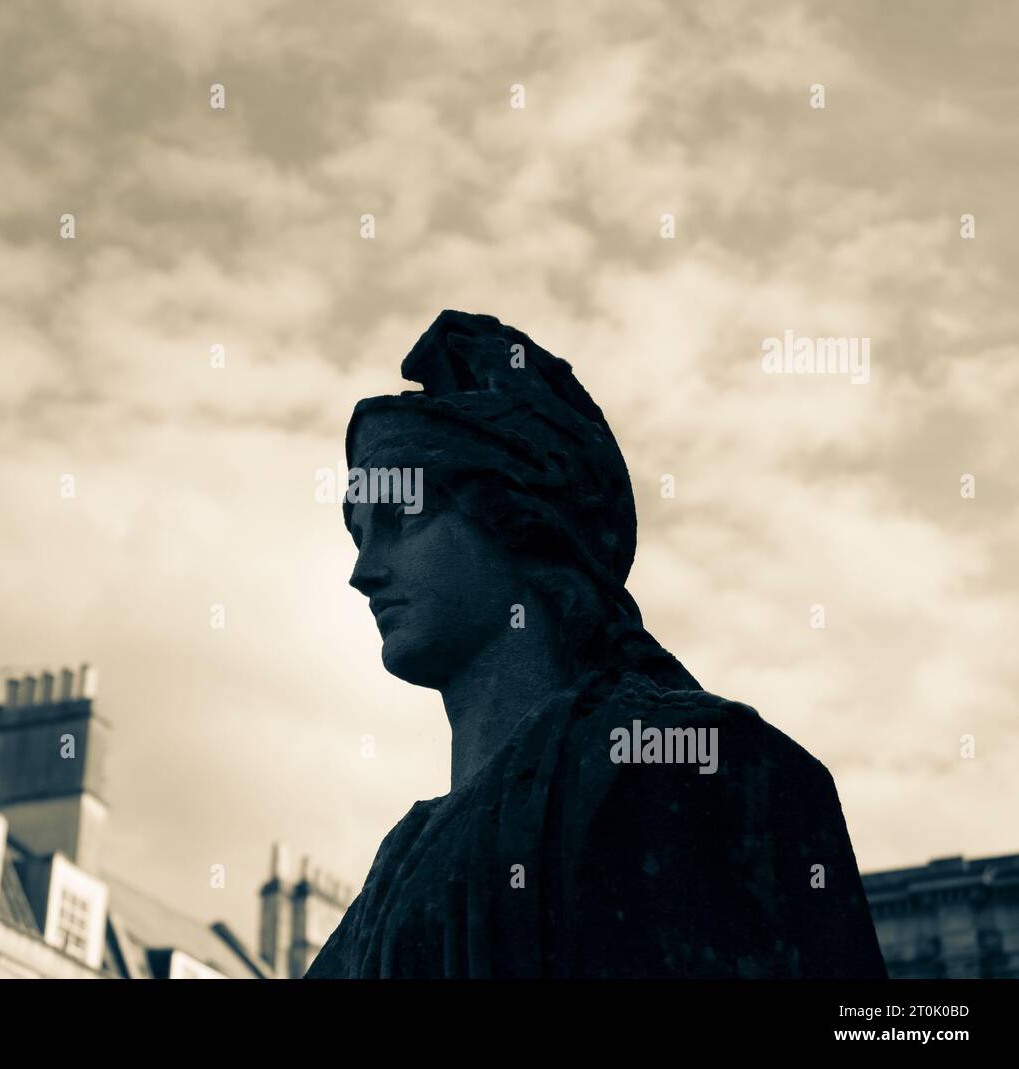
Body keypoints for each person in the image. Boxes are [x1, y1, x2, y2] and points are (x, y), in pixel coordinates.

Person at [305, 310, 886, 979]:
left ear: (521, 521)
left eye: (403, 518)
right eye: (357, 533)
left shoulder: (703, 768)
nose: (363, 571)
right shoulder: (386, 887)